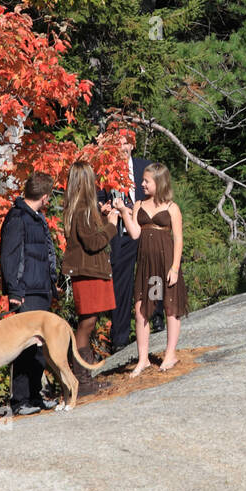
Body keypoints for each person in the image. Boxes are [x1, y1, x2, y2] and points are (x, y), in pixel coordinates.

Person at [106, 162, 188, 375]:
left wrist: (175, 268)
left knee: (170, 307)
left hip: (166, 264)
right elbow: (135, 234)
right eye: (142, 180)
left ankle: (170, 354)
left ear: (159, 183)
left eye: (146, 181)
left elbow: (178, 239)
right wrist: (124, 211)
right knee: (142, 310)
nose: (141, 184)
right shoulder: (139, 205)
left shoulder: (172, 208)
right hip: (147, 267)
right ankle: (143, 359)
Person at [0, 171, 60, 415]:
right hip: (25, 292)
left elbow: (45, 254)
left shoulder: (37, 217)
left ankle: (35, 396)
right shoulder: (17, 218)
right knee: (23, 347)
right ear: (44, 196)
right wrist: (14, 291)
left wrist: (52, 283)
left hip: (41, 289)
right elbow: (9, 257)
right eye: (50, 196)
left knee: (39, 349)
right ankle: (20, 399)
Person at [63, 160, 115, 370]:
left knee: (89, 322)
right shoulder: (82, 209)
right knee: (87, 323)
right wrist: (111, 226)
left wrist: (101, 218)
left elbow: (90, 234)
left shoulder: (82, 209)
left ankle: (83, 373)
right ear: (86, 182)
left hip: (89, 271)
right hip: (87, 273)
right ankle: (81, 376)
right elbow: (94, 242)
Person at [103, 144, 150, 353]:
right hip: (119, 236)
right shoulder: (104, 170)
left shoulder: (145, 167)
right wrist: (103, 208)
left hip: (145, 231)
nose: (121, 147)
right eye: (117, 142)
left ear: (132, 144)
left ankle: (156, 319)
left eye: (125, 142)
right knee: (121, 285)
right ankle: (120, 337)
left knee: (151, 275)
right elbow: (96, 199)